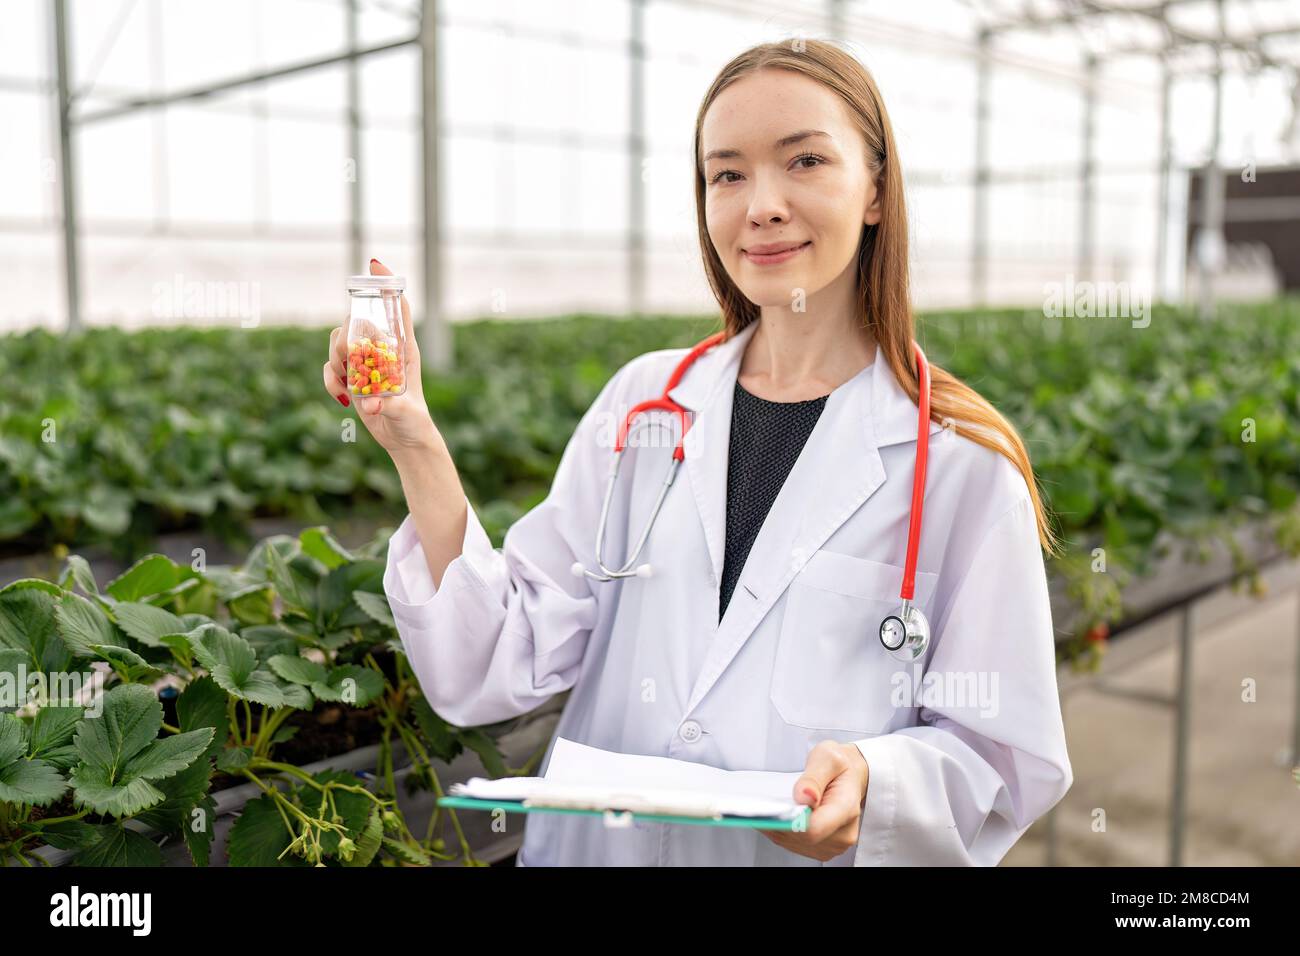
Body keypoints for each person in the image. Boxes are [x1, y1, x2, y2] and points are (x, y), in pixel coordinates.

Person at [323, 38, 1071, 866]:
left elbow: (1003, 753)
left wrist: (881, 782)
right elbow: (495, 664)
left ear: (876, 192)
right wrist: (416, 443)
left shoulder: (963, 463)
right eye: (728, 174)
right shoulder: (641, 407)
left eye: (806, 161)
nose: (762, 205)